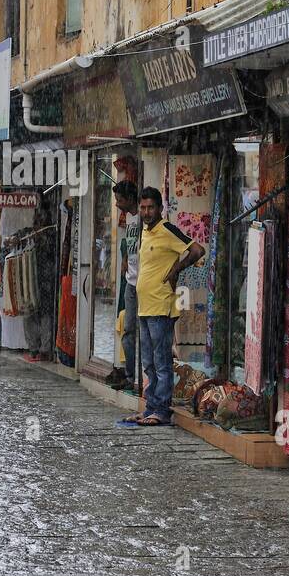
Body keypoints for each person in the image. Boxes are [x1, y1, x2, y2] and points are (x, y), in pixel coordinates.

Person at [120, 186, 205, 427]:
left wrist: (176, 269)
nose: (146, 212)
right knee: (148, 362)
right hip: (145, 307)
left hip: (161, 307)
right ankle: (151, 408)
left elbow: (197, 250)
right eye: (143, 207)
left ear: (160, 208)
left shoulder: (167, 229)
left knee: (161, 360)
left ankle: (162, 410)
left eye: (151, 207)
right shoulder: (146, 232)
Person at [108, 181, 140, 391]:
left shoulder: (142, 218)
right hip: (131, 281)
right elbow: (130, 243)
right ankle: (130, 375)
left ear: (129, 199)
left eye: (120, 200)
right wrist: (126, 258)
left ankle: (140, 377)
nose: (118, 204)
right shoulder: (129, 218)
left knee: (143, 332)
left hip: (143, 283)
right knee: (128, 330)